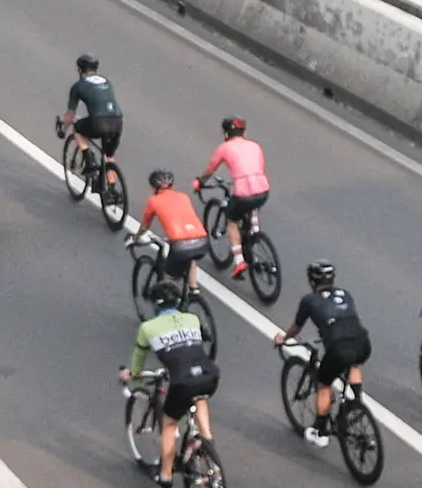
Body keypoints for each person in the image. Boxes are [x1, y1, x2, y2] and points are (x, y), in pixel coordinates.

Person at [121, 278, 218, 488]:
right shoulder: (191, 318)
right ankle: (207, 439)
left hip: (183, 380)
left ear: (157, 304)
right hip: (209, 373)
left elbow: (137, 364)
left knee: (169, 423)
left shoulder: (147, 328)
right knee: (200, 396)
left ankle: (165, 476)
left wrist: (132, 375)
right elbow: (201, 339)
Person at [276, 261, 371, 447]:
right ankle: (357, 402)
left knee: (324, 383)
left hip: (339, 348)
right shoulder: (345, 294)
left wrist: (284, 338)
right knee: (353, 364)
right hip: (363, 342)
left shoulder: (309, 300)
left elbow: (296, 327)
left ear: (312, 281)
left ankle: (321, 431)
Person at [198, 117, 269, 280]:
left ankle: (239, 262)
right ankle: (255, 230)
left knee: (232, 222)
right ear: (245, 132)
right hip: (263, 188)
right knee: (254, 202)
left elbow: (210, 169)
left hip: (243, 192)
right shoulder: (255, 146)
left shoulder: (224, 148)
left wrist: (199, 182)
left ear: (225, 134)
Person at [58, 53, 122, 199]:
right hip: (118, 120)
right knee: (109, 155)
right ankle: (112, 190)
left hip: (99, 121)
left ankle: (89, 158)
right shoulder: (107, 81)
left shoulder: (78, 86)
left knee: (78, 128)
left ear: (80, 70)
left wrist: (63, 130)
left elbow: (70, 115)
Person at [137, 170, 208, 290]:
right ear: (173, 186)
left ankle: (169, 299)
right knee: (191, 258)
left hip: (180, 246)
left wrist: (136, 237)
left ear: (154, 188)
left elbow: (145, 226)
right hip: (202, 241)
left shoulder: (154, 201)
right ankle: (194, 290)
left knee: (169, 279)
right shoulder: (184, 197)